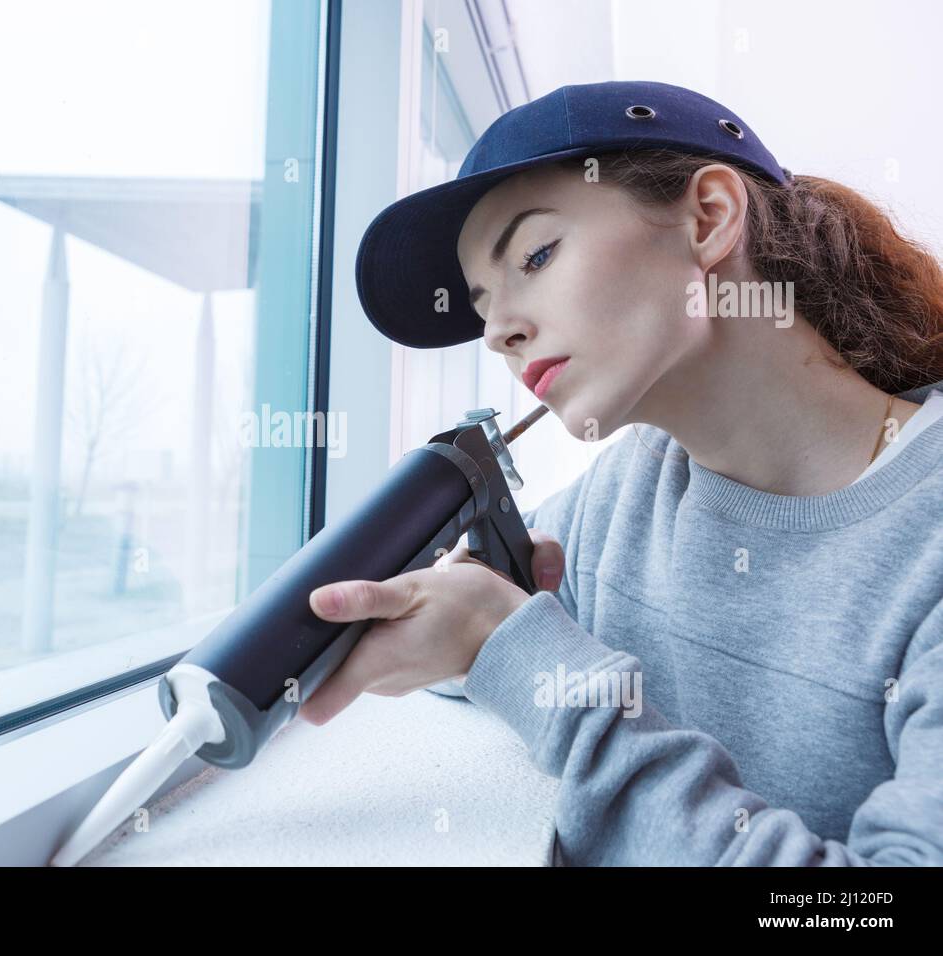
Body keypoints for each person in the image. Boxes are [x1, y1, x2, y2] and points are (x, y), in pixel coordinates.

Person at [300, 80, 943, 865]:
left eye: (535, 254)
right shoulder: (625, 494)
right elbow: (477, 631)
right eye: (482, 305)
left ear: (707, 219)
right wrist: (478, 627)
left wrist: (527, 662)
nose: (499, 330)